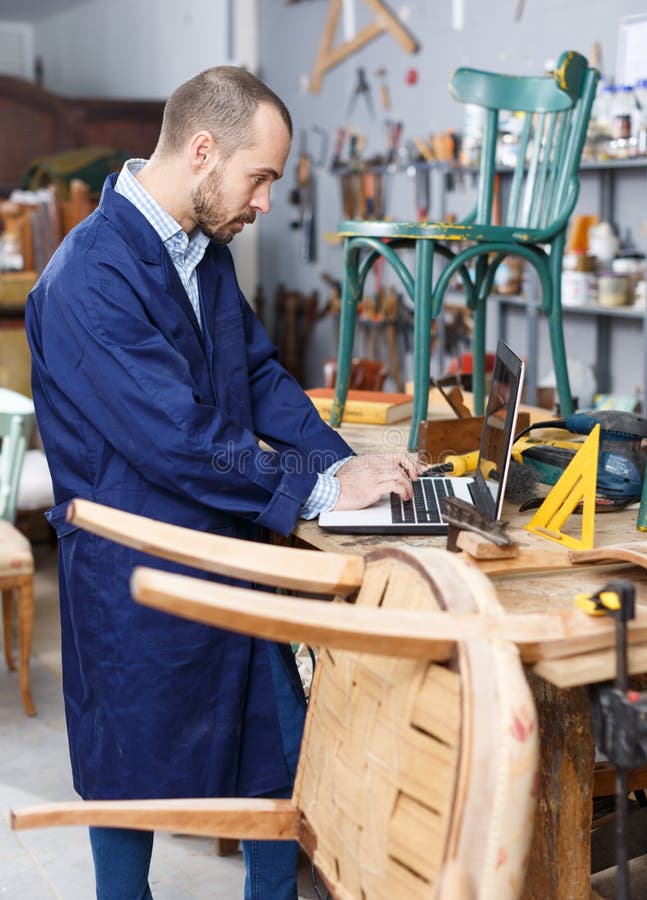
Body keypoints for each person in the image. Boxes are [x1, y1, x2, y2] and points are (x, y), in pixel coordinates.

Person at [26, 65, 419, 900]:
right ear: (203, 151)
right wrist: (314, 492)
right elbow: (178, 437)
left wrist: (342, 463)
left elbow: (259, 379)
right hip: (139, 571)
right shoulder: (88, 276)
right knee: (130, 782)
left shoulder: (199, 253)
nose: (264, 202)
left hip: (230, 549)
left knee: (272, 767)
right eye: (260, 178)